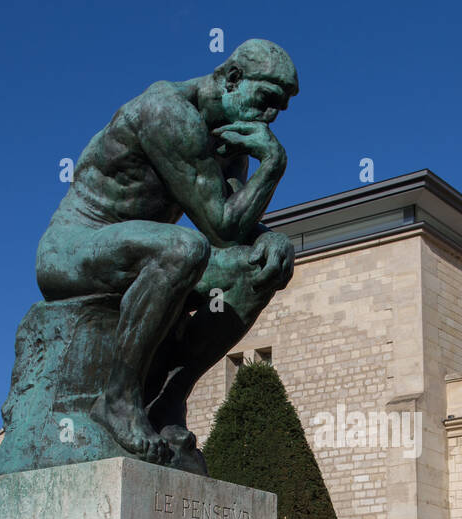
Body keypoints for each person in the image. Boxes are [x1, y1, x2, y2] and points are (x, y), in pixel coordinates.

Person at [34, 39, 300, 465]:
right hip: (73, 249)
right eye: (266, 100)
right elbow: (221, 227)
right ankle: (117, 400)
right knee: (182, 248)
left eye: (279, 109)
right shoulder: (167, 110)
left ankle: (168, 399)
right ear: (232, 79)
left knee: (262, 265)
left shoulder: (229, 141)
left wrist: (268, 238)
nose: (269, 117)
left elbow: (235, 229)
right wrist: (273, 165)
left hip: (147, 250)